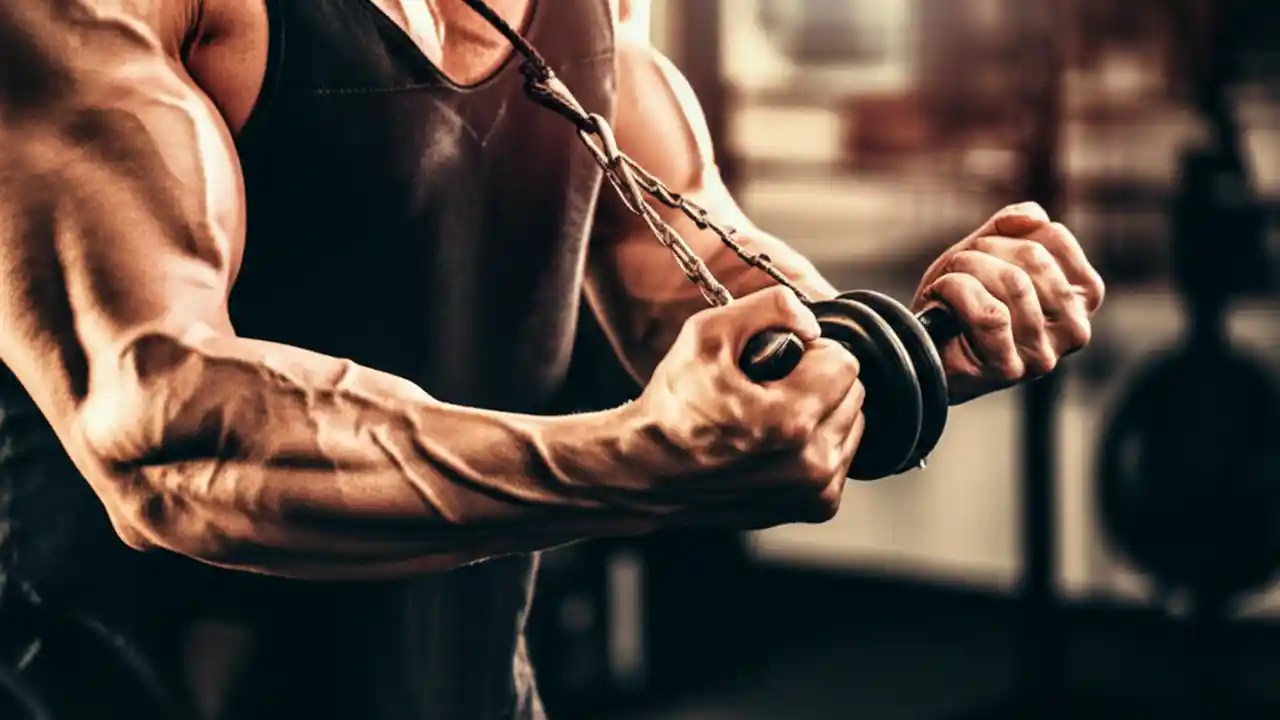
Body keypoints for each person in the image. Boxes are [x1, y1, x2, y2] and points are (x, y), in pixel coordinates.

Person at [0, 1, 1105, 718]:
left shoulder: (592, 17)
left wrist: (897, 354)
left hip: (472, 688)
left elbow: (710, 291)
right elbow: (158, 427)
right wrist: (636, 463)